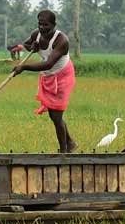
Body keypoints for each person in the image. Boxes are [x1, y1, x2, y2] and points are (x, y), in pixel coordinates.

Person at [10, 10, 77, 153]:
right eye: (40, 24)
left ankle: (64, 152)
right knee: (54, 115)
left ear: (54, 25)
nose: (42, 28)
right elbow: (26, 44)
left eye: (46, 25)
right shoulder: (37, 34)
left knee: (56, 116)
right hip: (48, 76)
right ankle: (70, 143)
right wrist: (33, 47)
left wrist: (24, 67)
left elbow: (48, 64)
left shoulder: (61, 41)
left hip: (62, 77)